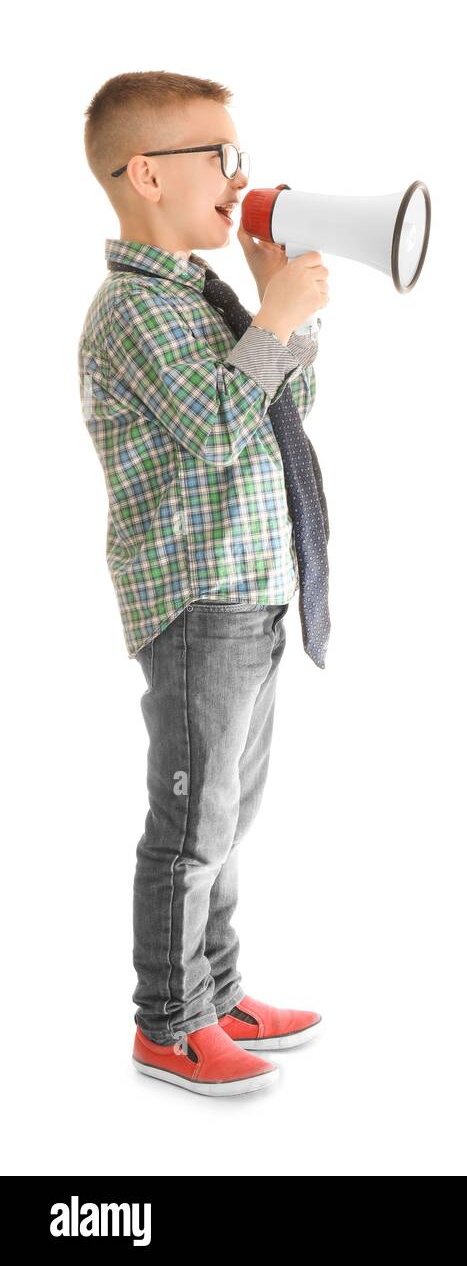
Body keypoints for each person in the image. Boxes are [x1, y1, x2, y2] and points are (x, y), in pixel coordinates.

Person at [78, 71, 329, 1096]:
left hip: (250, 593)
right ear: (146, 176)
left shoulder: (201, 295)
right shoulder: (136, 309)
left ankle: (217, 991)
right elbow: (222, 430)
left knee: (225, 815)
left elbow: (286, 402)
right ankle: (168, 1021)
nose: (240, 174)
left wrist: (278, 308)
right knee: (188, 825)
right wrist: (269, 314)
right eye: (218, 156)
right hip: (197, 608)